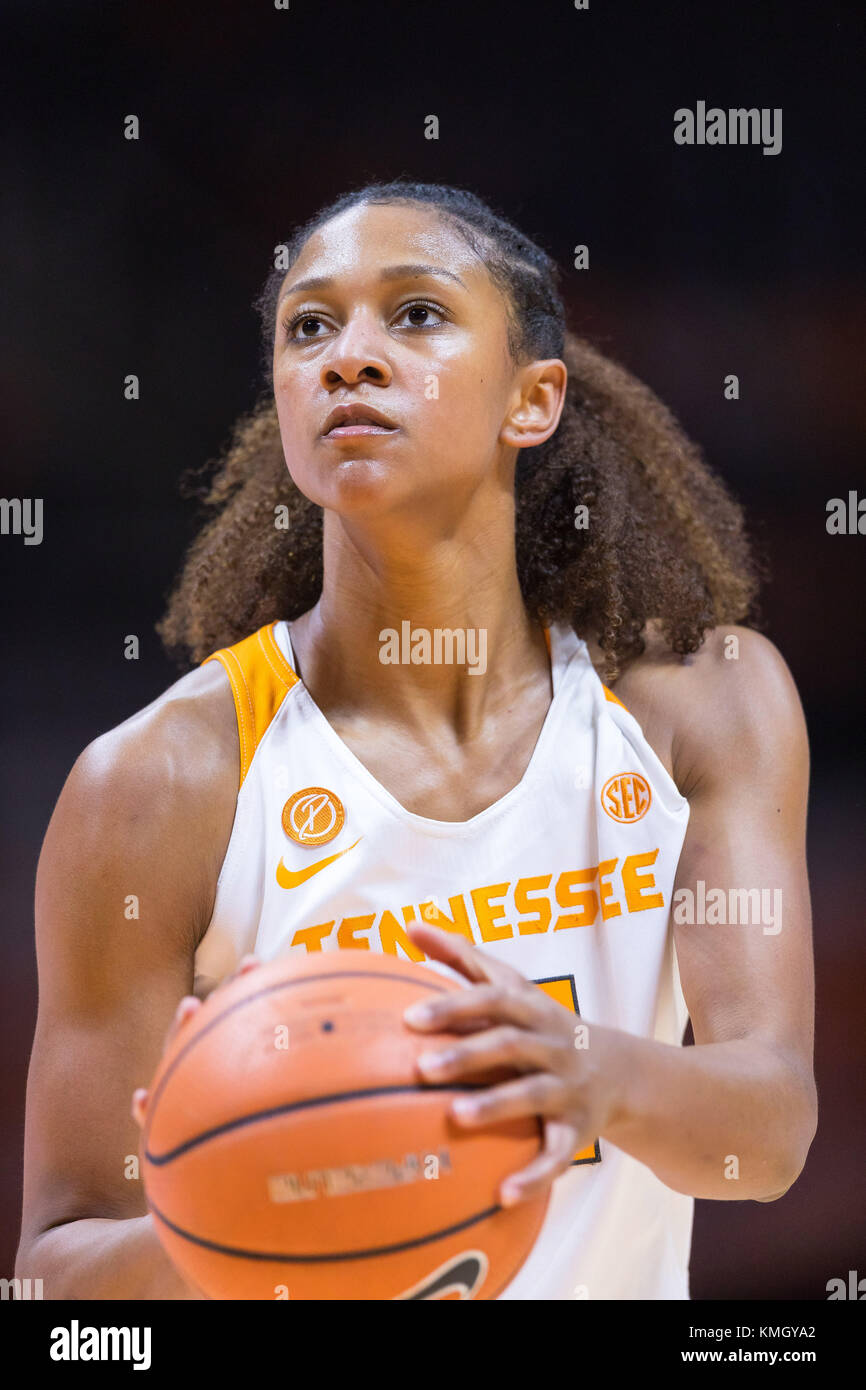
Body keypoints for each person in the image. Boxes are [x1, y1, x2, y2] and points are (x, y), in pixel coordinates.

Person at [16, 181, 817, 1300]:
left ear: (529, 401)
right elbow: (52, 1284)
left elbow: (768, 1127)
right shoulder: (159, 780)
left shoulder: (701, 704)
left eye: (416, 314)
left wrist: (587, 1073)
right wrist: (240, 1202)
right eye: (309, 326)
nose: (348, 356)